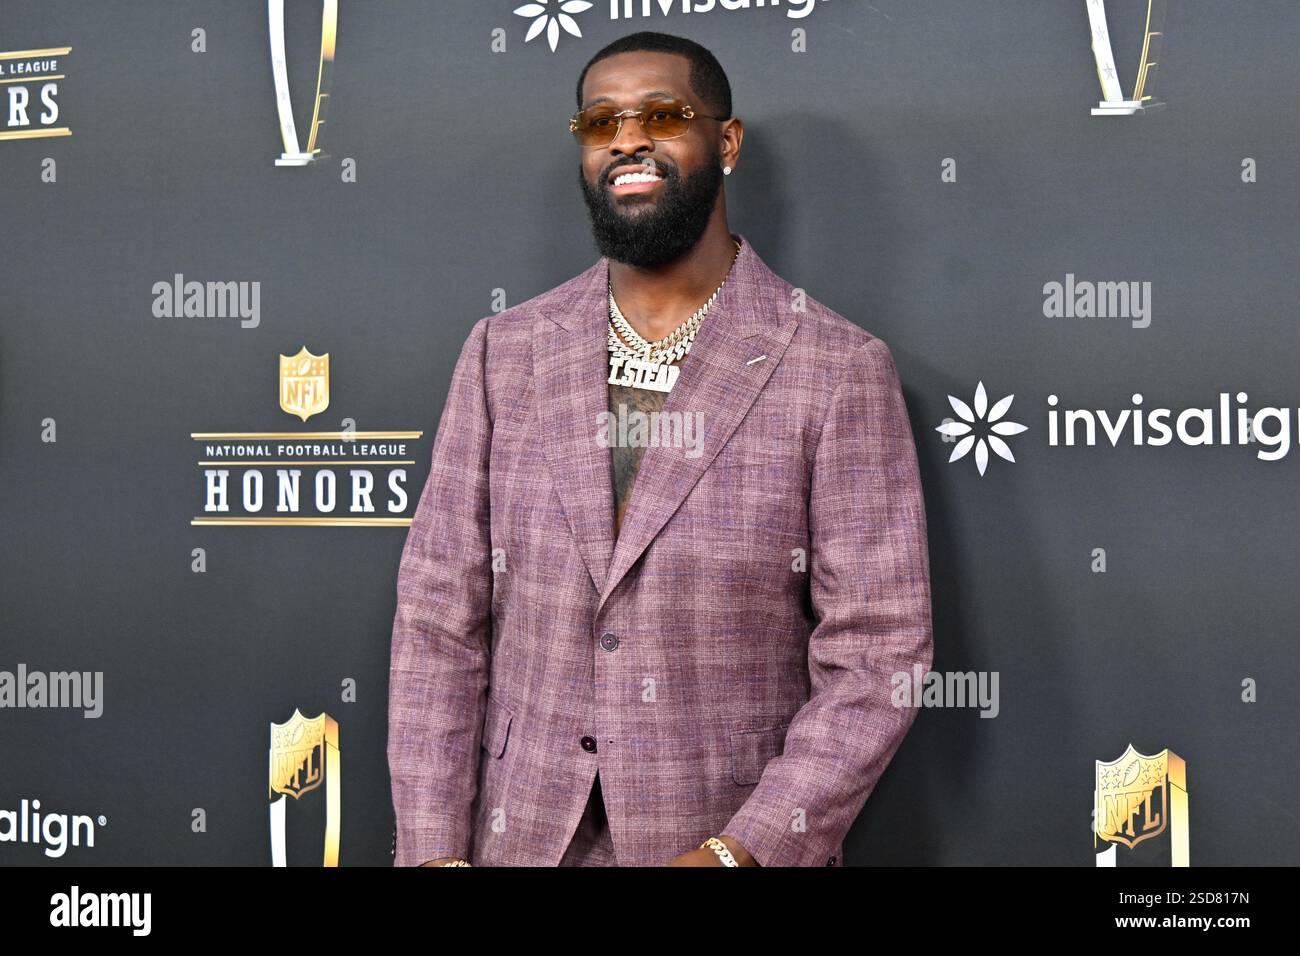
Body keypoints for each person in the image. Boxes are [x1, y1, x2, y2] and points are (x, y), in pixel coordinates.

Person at [387, 30, 932, 867]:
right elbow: (438, 626)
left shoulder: (837, 368)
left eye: (663, 115)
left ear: (727, 140)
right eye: (601, 122)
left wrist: (740, 852)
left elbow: (878, 655)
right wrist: (430, 851)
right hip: (518, 840)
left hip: (720, 840)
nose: (628, 138)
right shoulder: (505, 351)